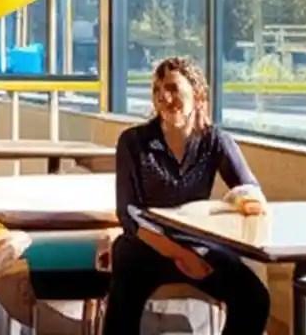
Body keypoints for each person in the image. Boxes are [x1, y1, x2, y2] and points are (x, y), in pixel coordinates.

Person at [102, 56, 271, 335]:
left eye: (172, 88)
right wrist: (180, 254)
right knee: (125, 289)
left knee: (254, 298)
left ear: (198, 95)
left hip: (199, 246)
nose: (163, 98)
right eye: (157, 90)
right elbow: (128, 214)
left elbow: (249, 189)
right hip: (146, 245)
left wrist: (246, 202)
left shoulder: (215, 141)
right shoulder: (133, 141)